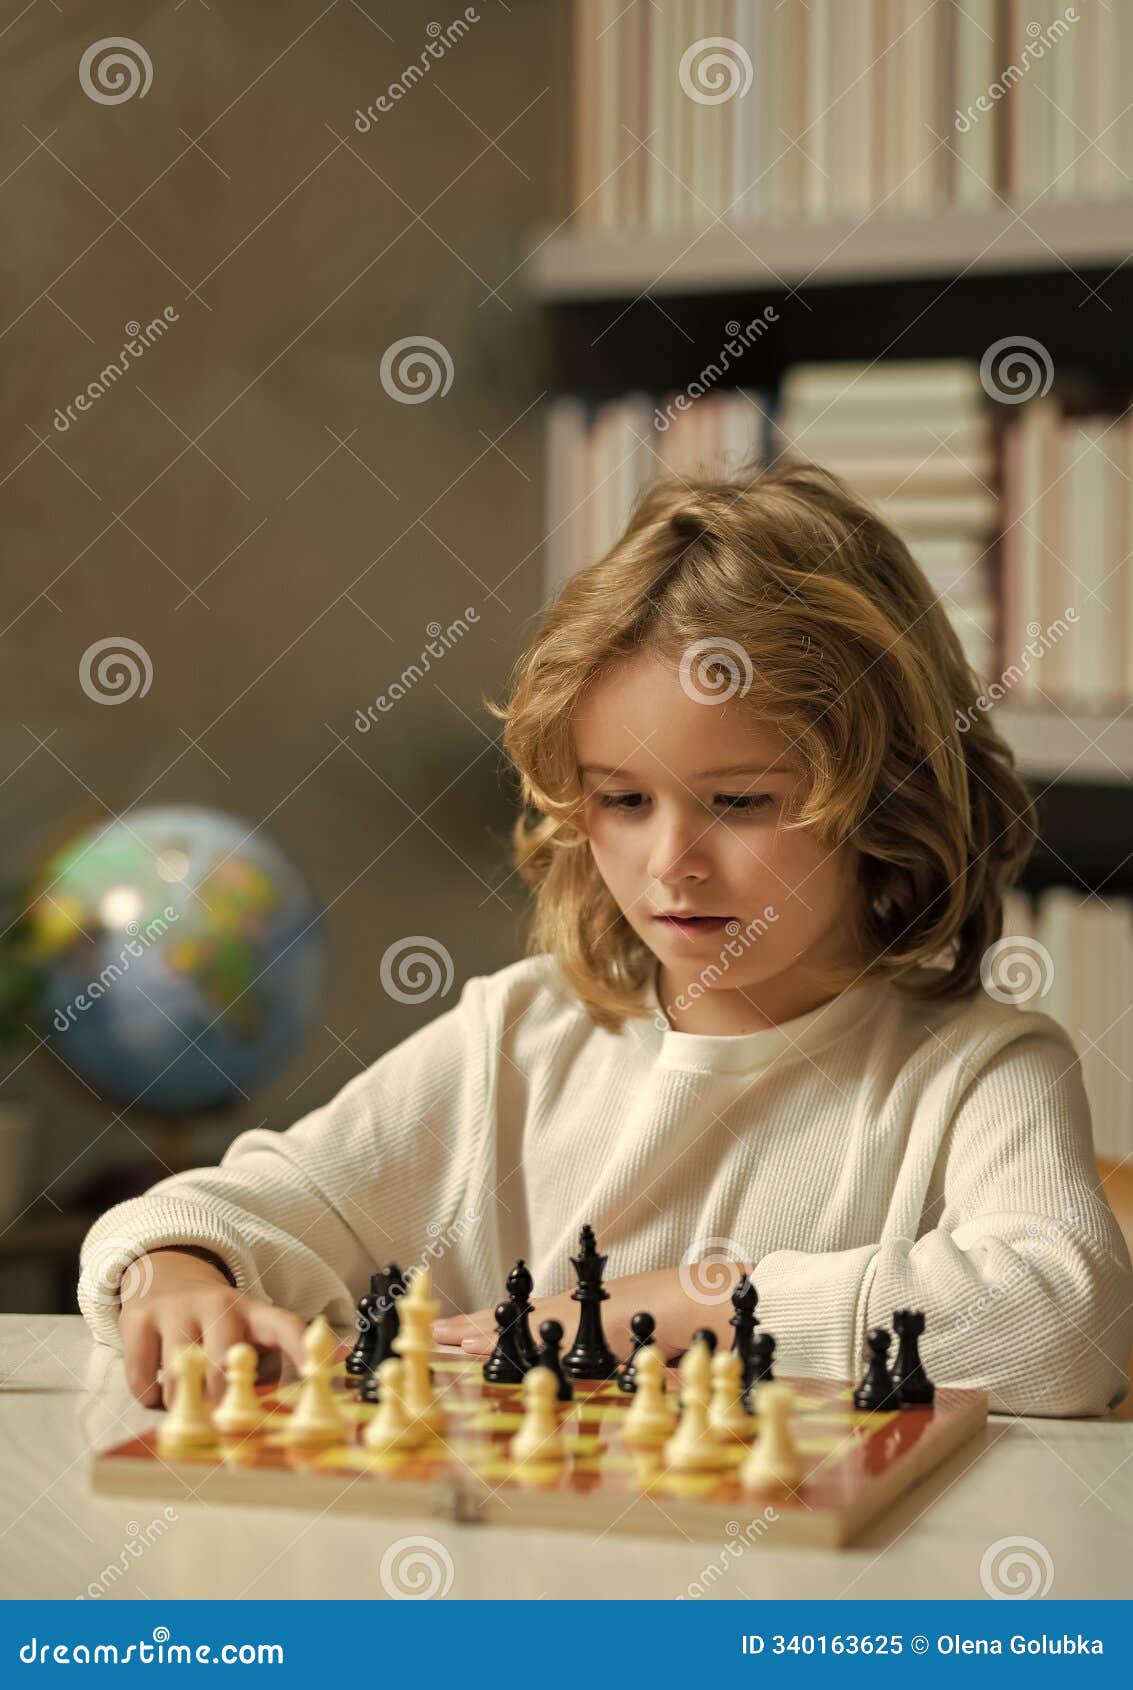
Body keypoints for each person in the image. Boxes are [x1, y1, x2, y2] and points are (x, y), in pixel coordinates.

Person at [77, 459, 1133, 1418]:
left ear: (884, 795)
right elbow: (235, 1207)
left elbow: (1062, 1327)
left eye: (738, 800)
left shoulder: (979, 1073)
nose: (671, 860)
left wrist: (690, 1302)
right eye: (622, 799)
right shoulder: (518, 1038)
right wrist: (176, 1268)